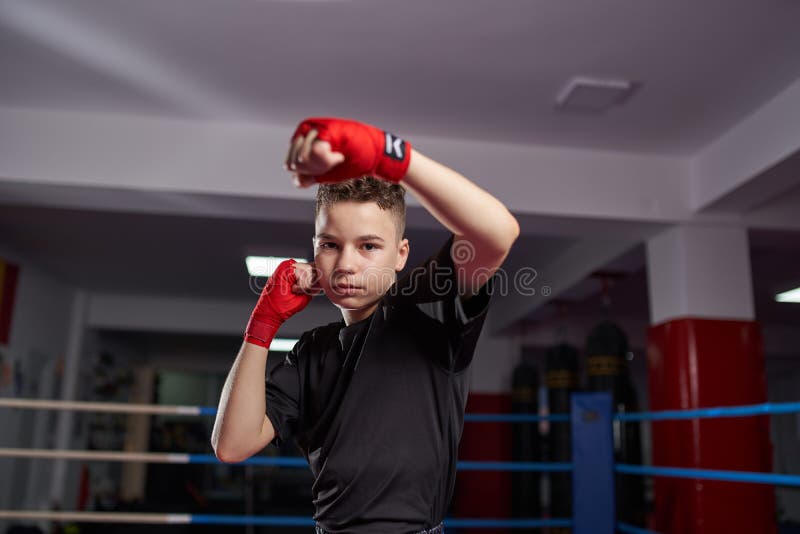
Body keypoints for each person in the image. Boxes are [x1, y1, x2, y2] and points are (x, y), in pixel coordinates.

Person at [211, 117, 520, 533]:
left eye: (369, 246)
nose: (347, 264)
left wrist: (389, 156)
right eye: (330, 245)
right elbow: (232, 444)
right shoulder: (311, 351)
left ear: (401, 254)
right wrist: (263, 324)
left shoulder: (424, 311)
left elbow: (498, 232)